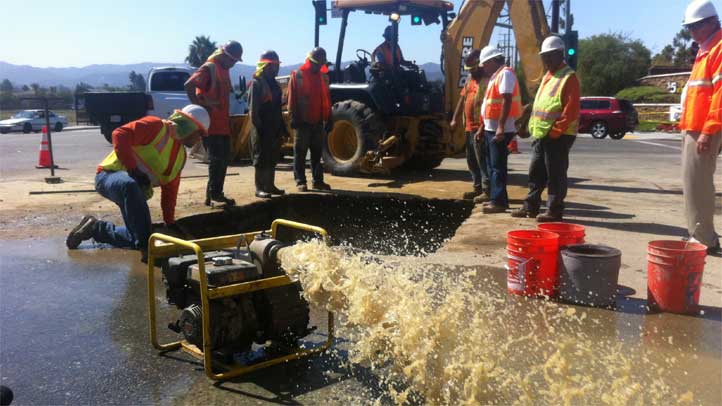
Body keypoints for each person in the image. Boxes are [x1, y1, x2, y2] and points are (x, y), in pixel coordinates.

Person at [66, 105, 210, 258]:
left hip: (133, 193)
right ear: (189, 126)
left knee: (139, 236)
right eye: (199, 133)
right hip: (108, 176)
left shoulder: (180, 157)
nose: (199, 138)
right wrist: (133, 170)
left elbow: (170, 190)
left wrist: (170, 222)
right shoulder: (155, 126)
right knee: (132, 192)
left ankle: (96, 229)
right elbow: (119, 134)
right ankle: (145, 247)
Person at [510, 36, 580, 222]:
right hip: (542, 134)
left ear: (560, 54)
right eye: (545, 57)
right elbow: (542, 105)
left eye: (550, 56)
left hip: (559, 135)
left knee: (555, 174)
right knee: (536, 172)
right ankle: (530, 206)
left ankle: (554, 211)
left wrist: (556, 130)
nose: (547, 60)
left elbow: (571, 109)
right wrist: (528, 124)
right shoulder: (548, 76)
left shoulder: (568, 77)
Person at [679, 0, 721, 255]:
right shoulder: (707, 49)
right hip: (695, 125)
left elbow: (720, 95)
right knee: (695, 182)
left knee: (697, 183)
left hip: (703, 127)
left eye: (695, 27)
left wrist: (708, 130)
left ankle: (703, 237)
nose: (691, 32)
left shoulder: (717, 49)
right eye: (689, 28)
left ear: (711, 22)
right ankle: (704, 234)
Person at [185, 40, 243, 209]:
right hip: (210, 126)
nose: (233, 64)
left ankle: (214, 194)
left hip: (221, 124)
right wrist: (200, 108)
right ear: (224, 55)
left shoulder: (224, 70)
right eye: (232, 60)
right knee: (216, 160)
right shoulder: (209, 68)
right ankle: (215, 196)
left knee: (223, 159)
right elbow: (189, 85)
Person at [476, 46, 522, 213]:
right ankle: (497, 198)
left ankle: (499, 201)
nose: (484, 68)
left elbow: (506, 100)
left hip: (499, 129)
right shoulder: (496, 76)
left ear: (493, 61)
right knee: (492, 165)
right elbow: (489, 105)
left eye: (485, 64)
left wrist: (501, 127)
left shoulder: (505, 74)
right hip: (491, 128)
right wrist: (482, 127)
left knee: (498, 166)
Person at [288, 47, 333, 192]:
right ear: (310, 61)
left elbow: (327, 98)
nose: (318, 66)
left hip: (318, 121)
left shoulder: (323, 77)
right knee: (300, 153)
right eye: (317, 64)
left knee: (317, 154)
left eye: (321, 64)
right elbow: (292, 98)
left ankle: (318, 181)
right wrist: (293, 117)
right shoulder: (298, 75)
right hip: (303, 122)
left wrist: (329, 117)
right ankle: (300, 181)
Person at [450, 49, 490, 201]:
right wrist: (454, 119)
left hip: (480, 128)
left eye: (473, 69)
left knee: (483, 161)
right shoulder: (469, 79)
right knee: (472, 160)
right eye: (469, 70)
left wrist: (482, 126)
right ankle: (477, 188)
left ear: (480, 65)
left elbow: (490, 106)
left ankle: (487, 190)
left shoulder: (487, 81)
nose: (471, 72)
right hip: (469, 128)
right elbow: (462, 100)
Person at [249, 50, 289, 199]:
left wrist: (283, 129)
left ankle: (270, 185)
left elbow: (278, 108)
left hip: (275, 126)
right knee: (260, 158)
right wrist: (259, 128)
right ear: (265, 66)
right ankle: (259, 188)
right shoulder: (257, 83)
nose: (276, 68)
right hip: (262, 127)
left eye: (277, 66)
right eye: (274, 66)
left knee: (272, 157)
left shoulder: (275, 84)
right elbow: (254, 110)